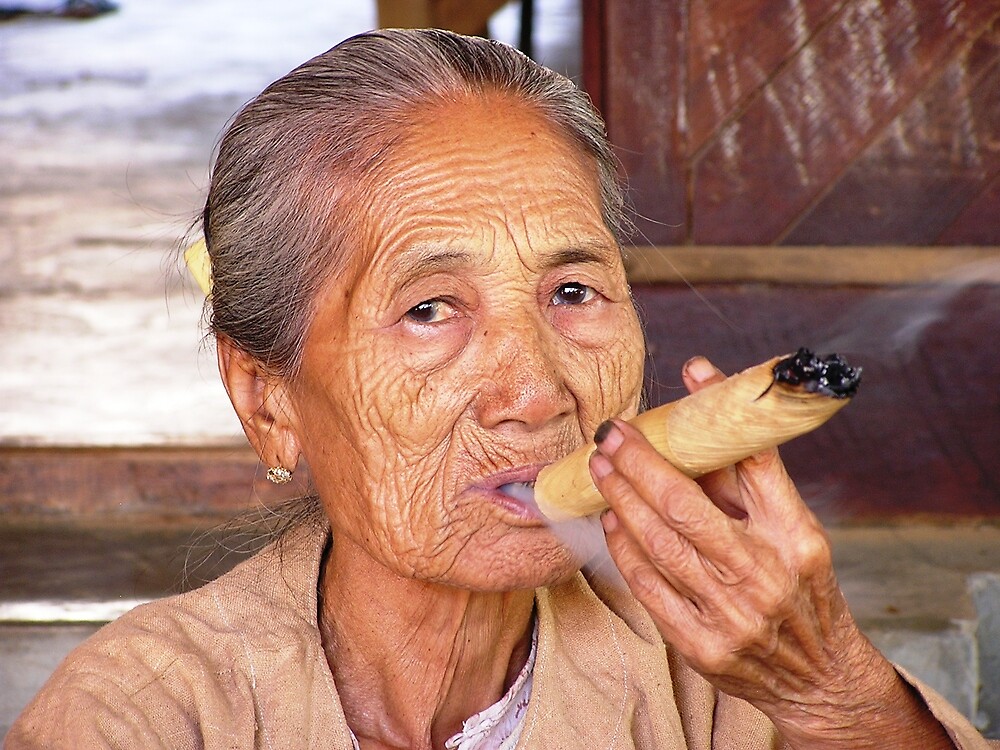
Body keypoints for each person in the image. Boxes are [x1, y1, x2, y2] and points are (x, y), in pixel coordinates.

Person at [5, 28, 996, 750]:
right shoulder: (144, 718)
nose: (533, 392)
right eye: (430, 309)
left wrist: (841, 702)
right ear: (267, 400)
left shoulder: (719, 679)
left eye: (572, 292)